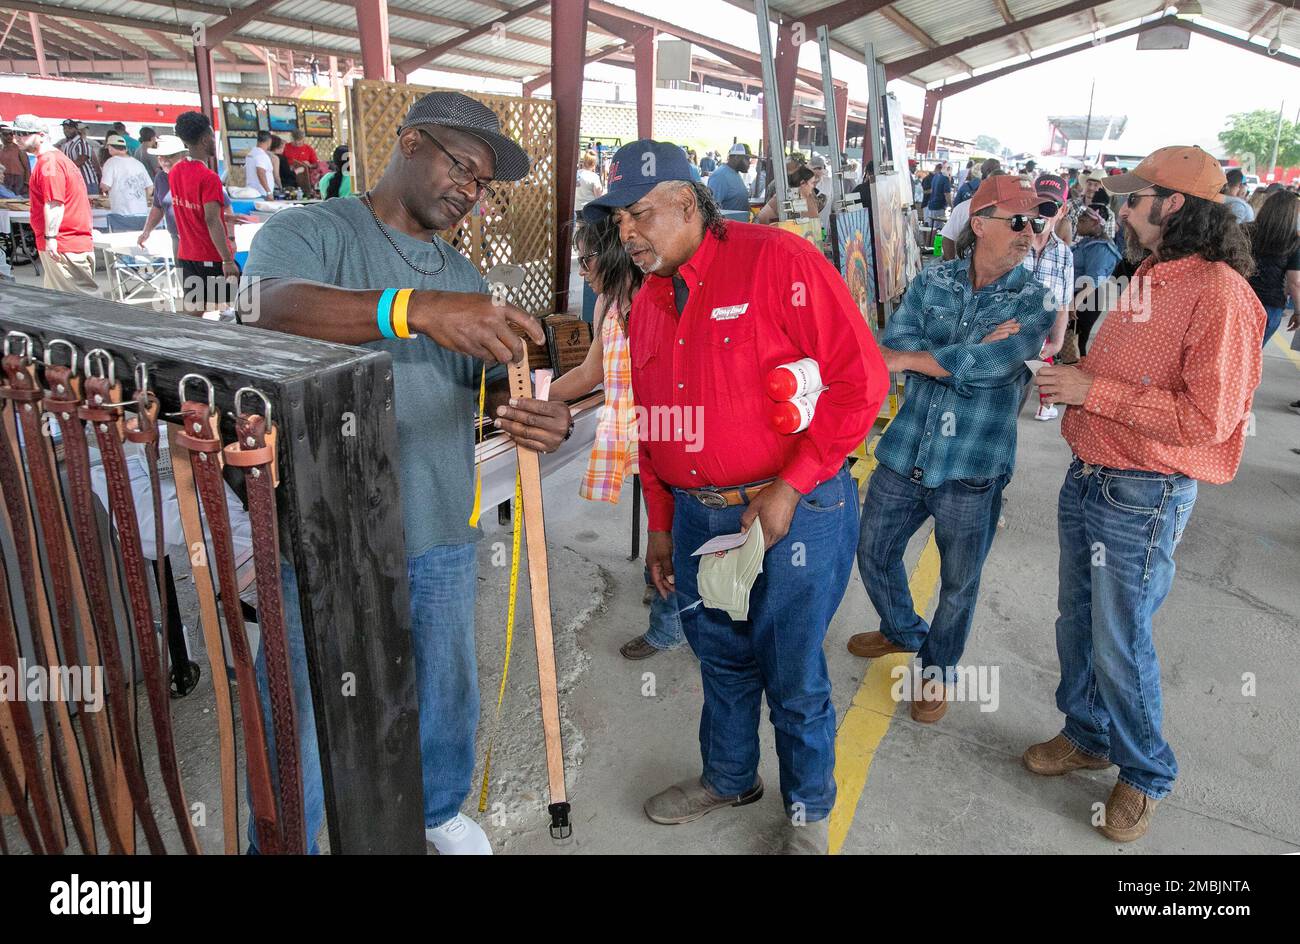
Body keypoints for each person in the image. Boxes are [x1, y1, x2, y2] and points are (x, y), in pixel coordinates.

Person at [241, 91, 572, 855]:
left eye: (485, 184)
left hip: (438, 515)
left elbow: (468, 388)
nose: (471, 190)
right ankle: (285, 839)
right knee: (305, 706)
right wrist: (412, 309)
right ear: (411, 141)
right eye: (463, 166)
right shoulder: (314, 230)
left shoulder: (459, 270)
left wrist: (528, 409)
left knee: (445, 687)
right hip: (327, 526)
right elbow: (263, 308)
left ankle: (437, 811)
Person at [584, 139, 888, 855]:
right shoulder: (648, 298)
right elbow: (655, 422)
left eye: (640, 215)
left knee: (792, 671)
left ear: (688, 201)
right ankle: (729, 777)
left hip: (793, 511)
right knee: (719, 658)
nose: (627, 234)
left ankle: (810, 813)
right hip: (698, 516)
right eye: (618, 221)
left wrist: (792, 483)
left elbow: (861, 381)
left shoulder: (777, 261)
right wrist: (662, 526)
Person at [1029, 145, 1263, 843]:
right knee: (1078, 622)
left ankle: (1145, 772)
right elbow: (1138, 376)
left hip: (1143, 493)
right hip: (1092, 475)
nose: (1121, 211)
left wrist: (1089, 389)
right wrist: (1076, 367)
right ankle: (1087, 733)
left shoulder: (1221, 294)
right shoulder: (1156, 272)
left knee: (1120, 640)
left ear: (1175, 205)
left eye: (1133, 199)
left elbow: (1208, 418)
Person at [850, 175, 1055, 721]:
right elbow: (892, 344)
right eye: (1016, 221)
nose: (1027, 233)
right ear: (979, 223)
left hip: (973, 465)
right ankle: (903, 631)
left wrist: (934, 359)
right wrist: (960, 354)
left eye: (1034, 223)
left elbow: (992, 369)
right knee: (871, 550)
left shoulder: (1035, 299)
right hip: (905, 450)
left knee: (959, 583)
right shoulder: (932, 279)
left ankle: (937, 670)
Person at [548, 216, 686, 660]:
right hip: (634, 429)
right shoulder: (606, 302)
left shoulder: (660, 294)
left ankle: (670, 625)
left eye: (587, 257)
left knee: (679, 526)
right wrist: (533, 396)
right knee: (660, 516)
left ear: (611, 253)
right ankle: (659, 577)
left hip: (669, 427)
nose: (582, 268)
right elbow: (591, 373)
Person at [14, 114, 97, 294]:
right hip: (65, 243)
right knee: (65, 306)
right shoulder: (52, 159)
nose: (17, 138)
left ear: (42, 135)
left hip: (64, 244)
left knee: (80, 306)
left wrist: (51, 238)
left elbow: (54, 203)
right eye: (16, 133)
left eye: (24, 133)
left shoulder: (49, 161)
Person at [170, 111, 239, 311]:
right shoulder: (209, 178)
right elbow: (210, 219)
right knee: (238, 309)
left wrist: (224, 216)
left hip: (186, 253)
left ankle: (184, 341)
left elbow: (192, 211)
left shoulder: (175, 171)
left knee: (194, 310)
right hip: (210, 254)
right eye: (211, 135)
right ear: (204, 139)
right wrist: (227, 259)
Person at [1022, 174, 1074, 421]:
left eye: (1051, 206)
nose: (1043, 213)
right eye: (1038, 203)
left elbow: (1062, 303)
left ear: (1062, 210)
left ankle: (1046, 404)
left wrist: (1057, 341)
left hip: (1037, 342)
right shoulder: (1011, 239)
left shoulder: (1064, 254)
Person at [1245, 189, 1300, 345]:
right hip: (1269, 306)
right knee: (1253, 354)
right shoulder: (1294, 242)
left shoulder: (1245, 230)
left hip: (1239, 297)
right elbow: (1295, 282)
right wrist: (1298, 311)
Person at [1070, 205, 1122, 356]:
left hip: (1086, 299)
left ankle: (1077, 373)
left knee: (1078, 343)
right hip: (1078, 296)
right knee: (1070, 341)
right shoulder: (1088, 243)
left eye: (1082, 220)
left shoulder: (1101, 249)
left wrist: (1075, 302)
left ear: (1095, 223)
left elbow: (1092, 279)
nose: (1078, 224)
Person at [136, 134, 189, 252]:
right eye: (160, 157)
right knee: (180, 270)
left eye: (170, 156)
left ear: (183, 156)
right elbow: (158, 207)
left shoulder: (194, 175)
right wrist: (147, 231)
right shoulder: (161, 177)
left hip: (198, 238)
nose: (165, 161)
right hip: (176, 236)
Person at [940, 158, 1001, 259]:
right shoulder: (964, 207)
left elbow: (948, 238)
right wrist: (951, 267)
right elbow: (948, 239)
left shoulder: (963, 207)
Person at [99, 133, 153, 232]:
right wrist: (139, 201)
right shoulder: (138, 163)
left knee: (123, 244)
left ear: (110, 148)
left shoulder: (111, 162)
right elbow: (150, 187)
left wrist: (102, 186)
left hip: (122, 215)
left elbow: (105, 186)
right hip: (142, 214)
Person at [57, 119, 100, 195]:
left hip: (87, 182)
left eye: (69, 128)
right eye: (65, 128)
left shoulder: (81, 143)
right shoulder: (67, 144)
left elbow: (81, 159)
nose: (66, 130)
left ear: (75, 129)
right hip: (75, 182)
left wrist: (64, 168)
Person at [706, 143, 752, 212]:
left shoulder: (735, 173)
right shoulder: (720, 176)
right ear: (736, 157)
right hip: (727, 222)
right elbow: (711, 209)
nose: (749, 162)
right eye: (747, 159)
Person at [244, 130, 276, 197]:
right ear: (269, 141)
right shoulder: (261, 155)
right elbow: (260, 173)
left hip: (252, 191)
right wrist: (268, 192)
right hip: (262, 193)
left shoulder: (251, 153)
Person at [1, 126, 29, 195]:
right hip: (4, 179)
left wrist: (27, 183)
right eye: (5, 134)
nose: (9, 136)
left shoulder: (19, 149)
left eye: (11, 134)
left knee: (17, 200)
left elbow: (27, 168)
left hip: (18, 180)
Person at [925, 161, 952, 225]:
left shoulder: (936, 176)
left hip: (931, 205)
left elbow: (932, 190)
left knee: (931, 227)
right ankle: (936, 236)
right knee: (938, 228)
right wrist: (951, 205)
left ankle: (931, 235)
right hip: (939, 207)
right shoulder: (945, 179)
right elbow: (947, 194)